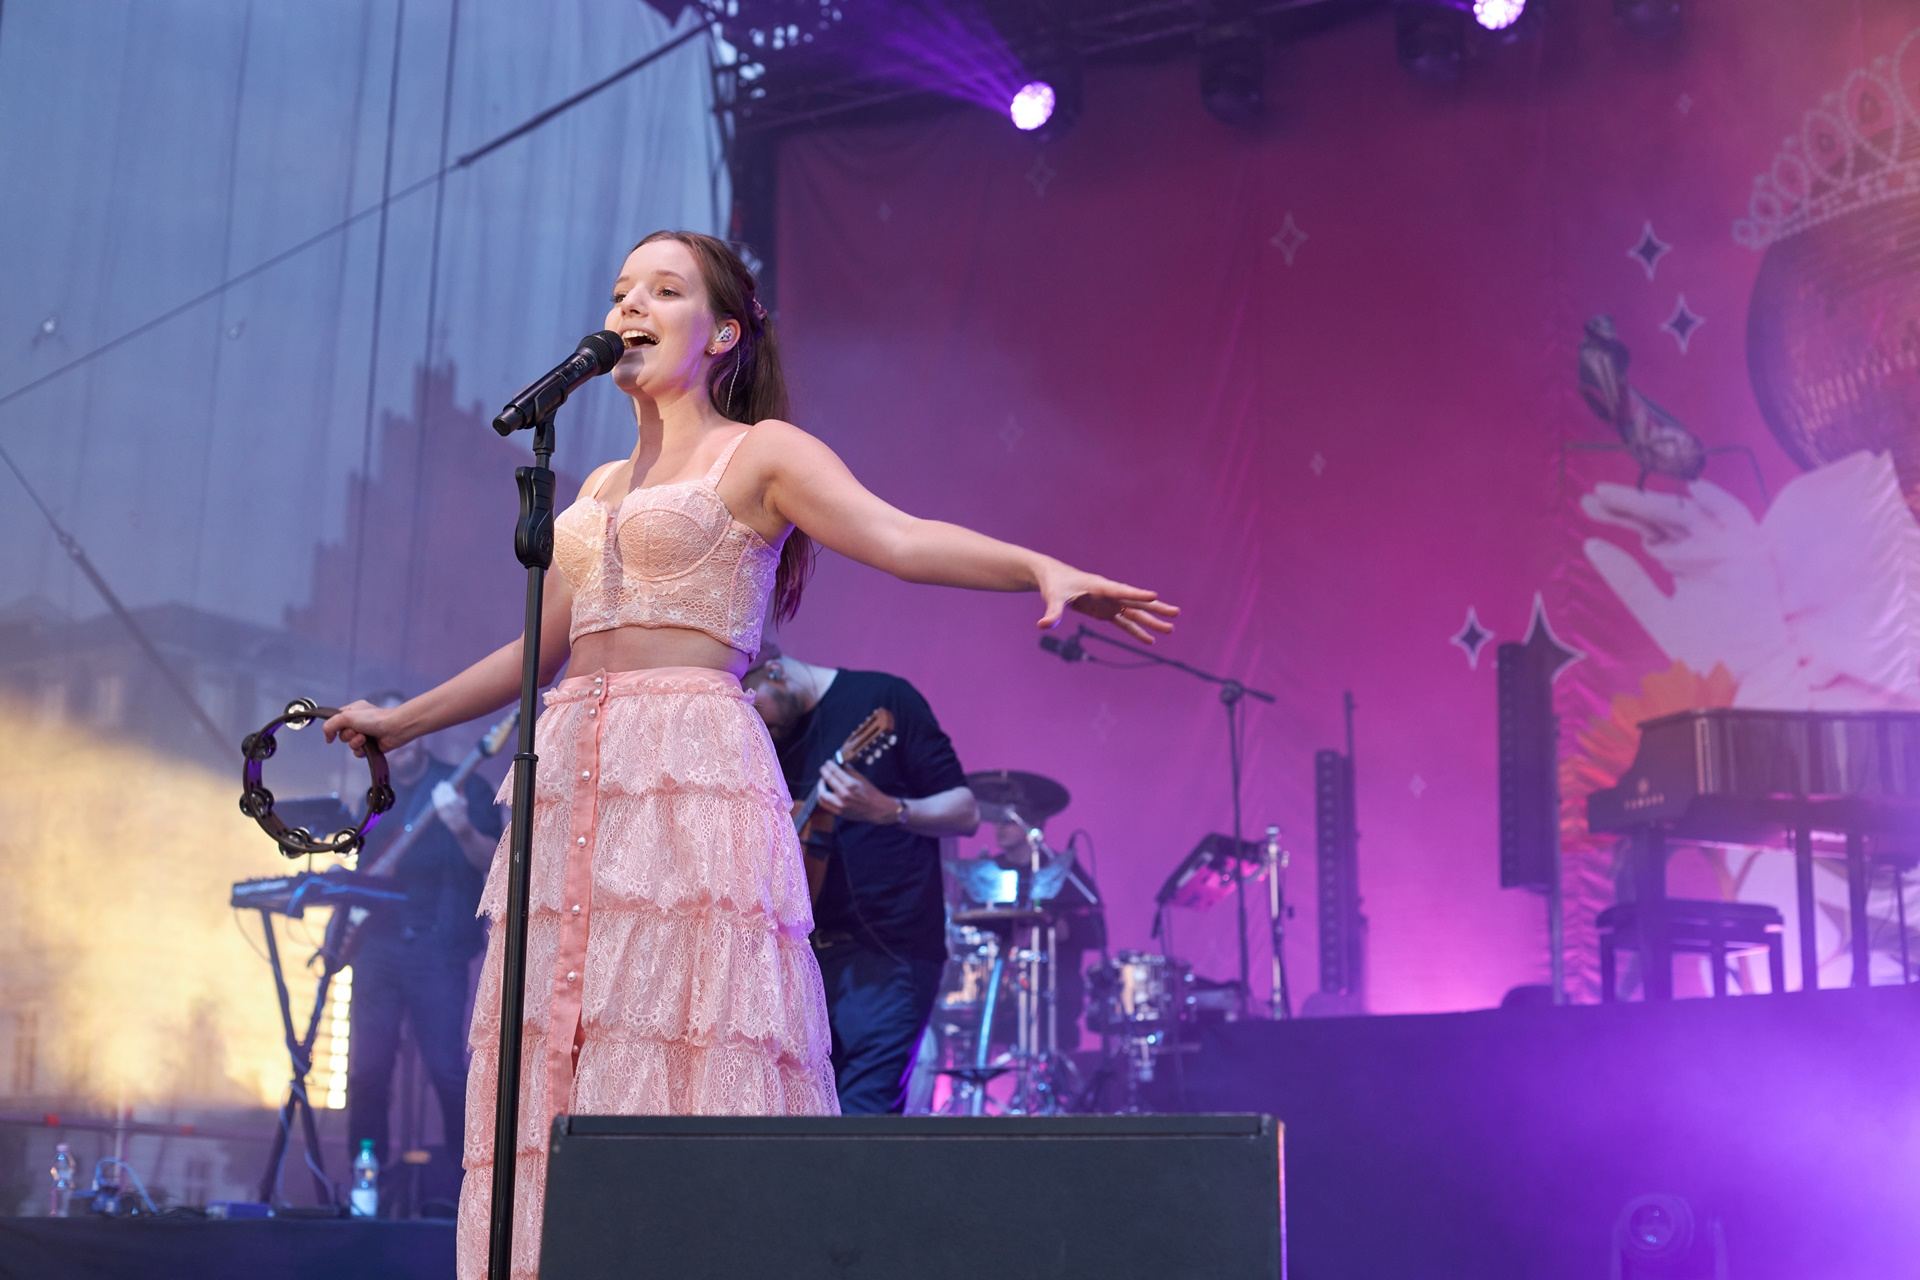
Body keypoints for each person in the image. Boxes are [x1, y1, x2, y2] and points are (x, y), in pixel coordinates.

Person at [322, 229, 1177, 1279]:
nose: (630, 307)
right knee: (563, 1041)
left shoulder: (760, 451)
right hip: (576, 766)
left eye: (663, 291)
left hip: (691, 762)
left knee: (686, 1031)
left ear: (721, 331)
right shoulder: (588, 489)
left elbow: (899, 536)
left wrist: (1037, 566)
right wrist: (401, 722)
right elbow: (539, 645)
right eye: (621, 290)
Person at [745, 639, 980, 1114]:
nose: (754, 722)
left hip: (888, 954)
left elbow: (965, 811)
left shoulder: (883, 699)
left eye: (753, 705)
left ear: (774, 670)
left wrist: (889, 809)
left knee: (863, 1114)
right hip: (802, 959)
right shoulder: (769, 742)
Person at [343, 691, 500, 1214]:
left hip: (437, 949)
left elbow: (493, 866)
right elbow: (355, 877)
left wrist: (458, 825)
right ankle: (365, 1189)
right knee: (366, 1072)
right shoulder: (370, 800)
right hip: (378, 952)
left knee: (446, 1071)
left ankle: (466, 1195)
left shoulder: (465, 786)